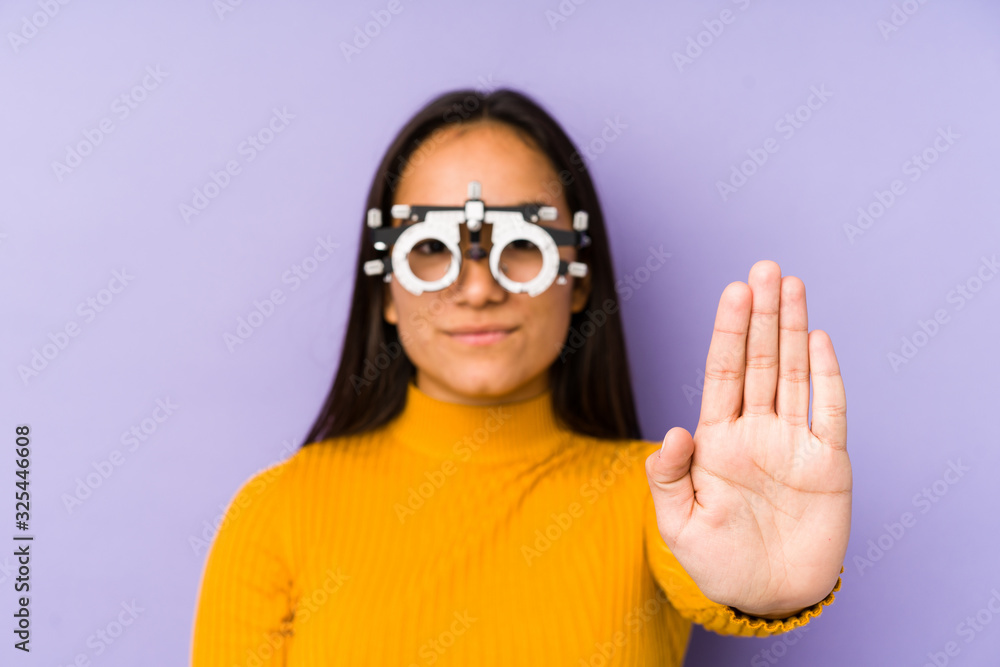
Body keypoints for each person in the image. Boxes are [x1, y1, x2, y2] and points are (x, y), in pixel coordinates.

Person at [190, 88, 850, 666]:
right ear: (387, 288)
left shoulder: (667, 497)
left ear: (580, 278)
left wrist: (767, 588)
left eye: (523, 247)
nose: (478, 288)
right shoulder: (274, 514)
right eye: (430, 248)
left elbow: (716, 563)